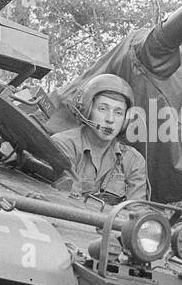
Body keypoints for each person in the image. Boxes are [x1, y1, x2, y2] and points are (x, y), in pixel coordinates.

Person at [52, 73, 150, 204]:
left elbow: (136, 211)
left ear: (126, 120)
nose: (110, 119)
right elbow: (63, 200)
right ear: (87, 110)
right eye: (103, 109)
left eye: (118, 112)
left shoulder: (133, 161)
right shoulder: (63, 145)